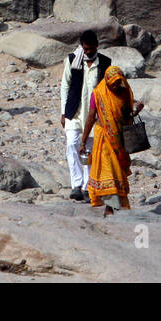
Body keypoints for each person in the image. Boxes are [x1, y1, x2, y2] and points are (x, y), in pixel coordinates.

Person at [79, 65, 144, 215]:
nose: (115, 86)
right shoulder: (98, 94)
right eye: (112, 83)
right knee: (109, 171)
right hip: (103, 138)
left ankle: (115, 206)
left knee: (118, 172)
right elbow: (91, 117)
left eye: (118, 82)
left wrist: (136, 111)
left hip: (119, 138)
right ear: (107, 81)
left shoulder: (123, 93)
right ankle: (110, 206)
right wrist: (83, 141)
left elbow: (127, 116)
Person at [59, 30, 110, 202]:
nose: (88, 52)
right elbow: (65, 86)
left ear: (97, 45)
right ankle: (76, 184)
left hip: (94, 115)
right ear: (82, 46)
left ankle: (87, 187)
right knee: (72, 144)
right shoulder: (73, 60)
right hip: (74, 111)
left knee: (89, 149)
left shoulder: (105, 62)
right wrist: (63, 112)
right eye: (85, 48)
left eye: (90, 48)